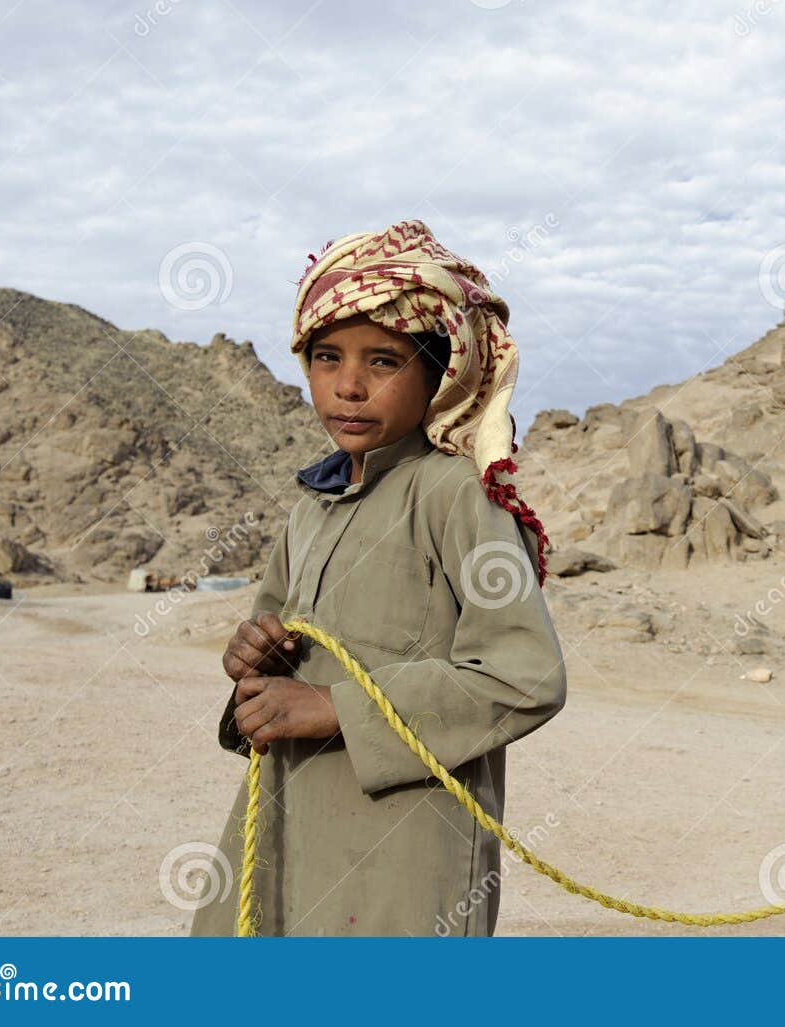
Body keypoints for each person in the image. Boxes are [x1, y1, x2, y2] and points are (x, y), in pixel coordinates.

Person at [188, 220, 566, 937]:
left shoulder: (456, 495)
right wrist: (250, 662)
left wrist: (334, 710)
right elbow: (267, 654)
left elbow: (525, 675)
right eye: (327, 357)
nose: (349, 385)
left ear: (438, 375)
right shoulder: (312, 507)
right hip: (285, 817)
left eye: (384, 361)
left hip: (406, 845)